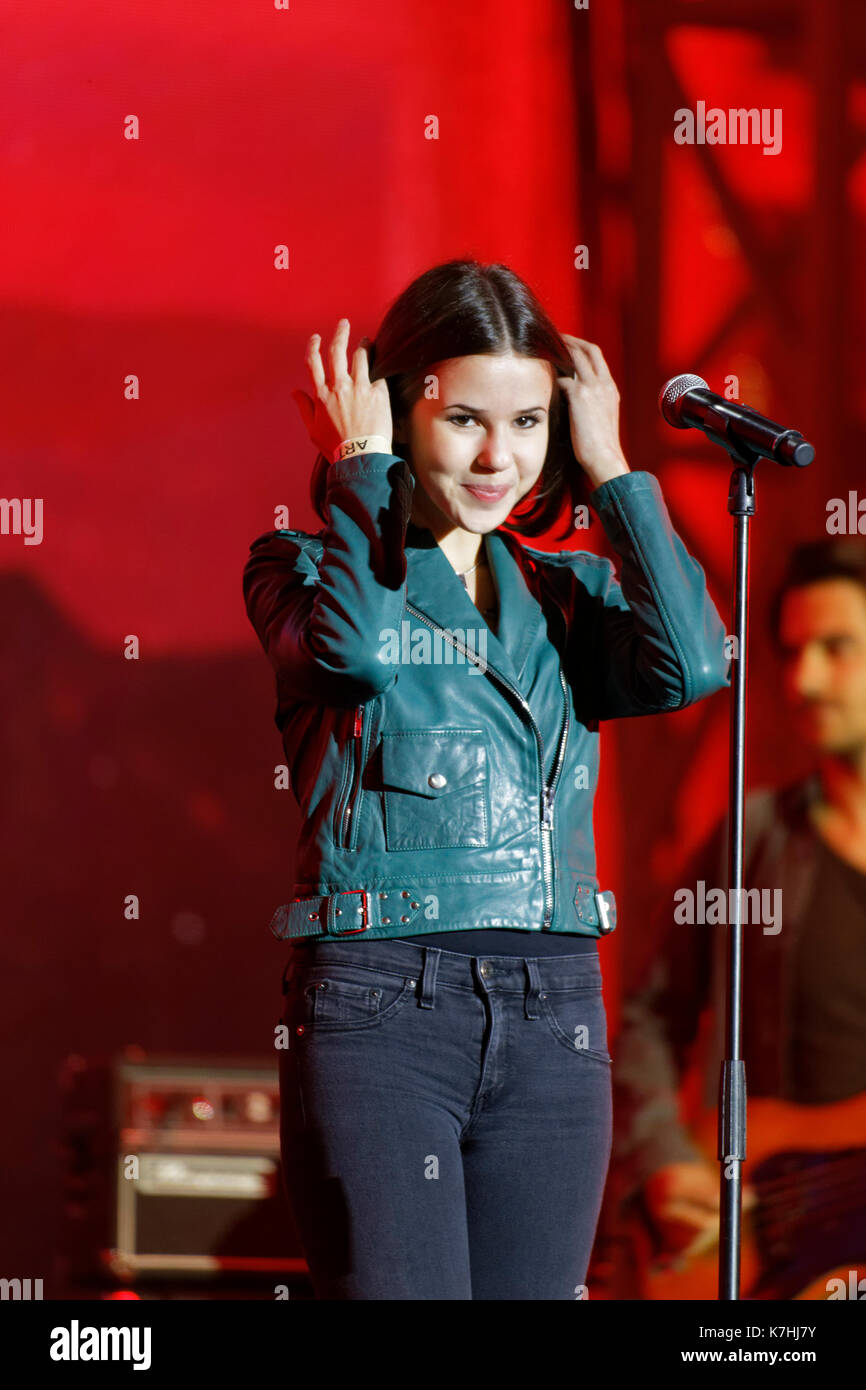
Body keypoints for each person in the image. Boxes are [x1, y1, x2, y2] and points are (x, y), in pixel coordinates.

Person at [242, 258, 730, 1300]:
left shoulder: (569, 593)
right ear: (394, 407)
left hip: (554, 1014)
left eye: (528, 423)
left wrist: (612, 470)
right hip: (381, 1011)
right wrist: (360, 465)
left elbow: (690, 665)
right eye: (463, 418)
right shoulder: (299, 569)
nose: (497, 455)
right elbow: (357, 659)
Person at [609, 536, 866, 1297]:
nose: (802, 680)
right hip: (765, 1252)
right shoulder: (754, 840)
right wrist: (664, 1159)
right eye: (790, 653)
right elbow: (650, 1020)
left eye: (835, 648)